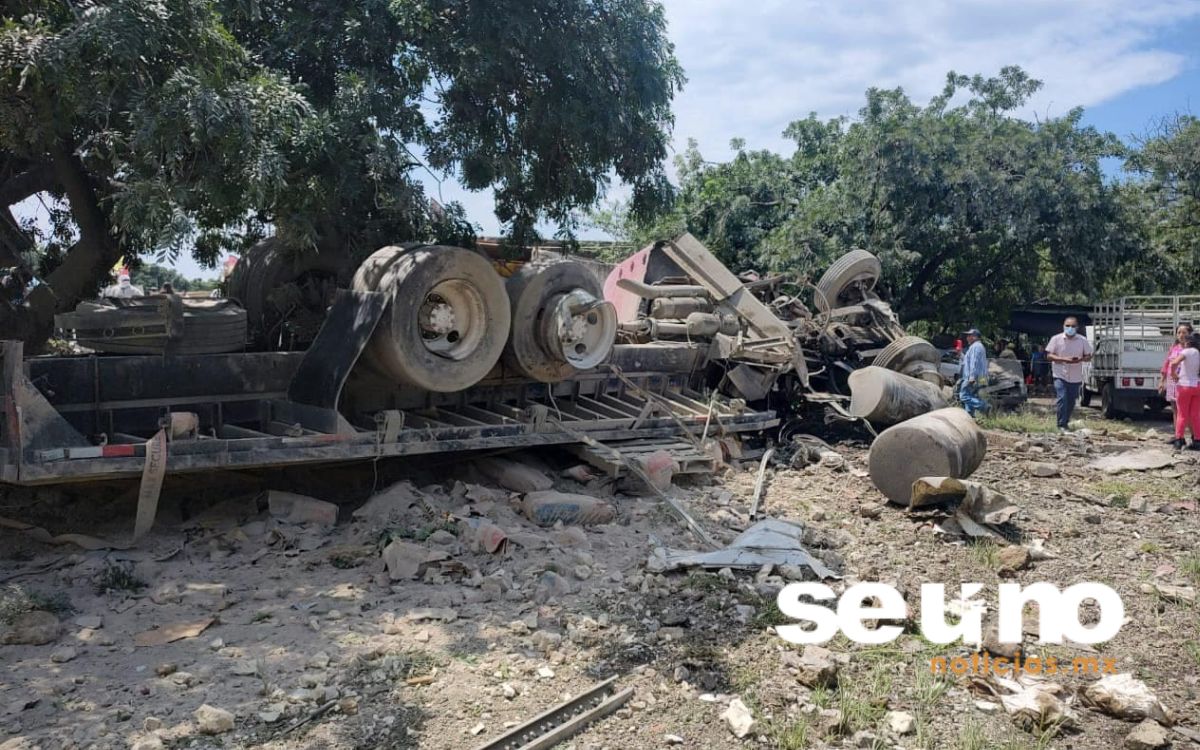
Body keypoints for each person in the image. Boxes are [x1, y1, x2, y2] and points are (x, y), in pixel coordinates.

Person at [1045, 316, 1093, 431]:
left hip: (1075, 376)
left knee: (1071, 401)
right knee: (1062, 398)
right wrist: (1064, 359)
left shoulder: (1082, 340)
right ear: (1063, 326)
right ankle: (1061, 425)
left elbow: (1089, 355)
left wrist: (1081, 359)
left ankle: (1065, 422)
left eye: (1072, 326)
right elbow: (1049, 356)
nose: (1070, 328)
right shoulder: (1056, 339)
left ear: (1077, 327)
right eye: (1067, 325)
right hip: (1060, 374)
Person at [1159, 323, 1193, 441]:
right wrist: (1162, 381)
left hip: (1184, 382)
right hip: (1172, 381)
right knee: (1174, 408)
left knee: (1186, 410)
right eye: (1179, 332)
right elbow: (1166, 364)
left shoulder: (1191, 349)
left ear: (1189, 334)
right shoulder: (1174, 348)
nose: (1181, 335)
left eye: (1184, 332)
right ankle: (1178, 435)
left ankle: (1192, 435)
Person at [1167, 331, 1200, 450]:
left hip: (1184, 385)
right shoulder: (1198, 352)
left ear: (1188, 342)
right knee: (1195, 414)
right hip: (1197, 386)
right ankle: (1197, 440)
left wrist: (1173, 374)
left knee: (1182, 414)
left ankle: (1179, 439)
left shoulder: (1186, 351)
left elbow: (1174, 363)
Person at [959, 327, 989, 417]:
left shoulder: (975, 346)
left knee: (963, 395)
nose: (967, 337)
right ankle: (970, 417)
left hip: (974, 377)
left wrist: (972, 376)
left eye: (969, 335)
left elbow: (974, 362)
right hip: (982, 377)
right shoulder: (978, 347)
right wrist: (960, 354)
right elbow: (968, 361)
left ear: (975, 337)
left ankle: (984, 406)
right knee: (973, 395)